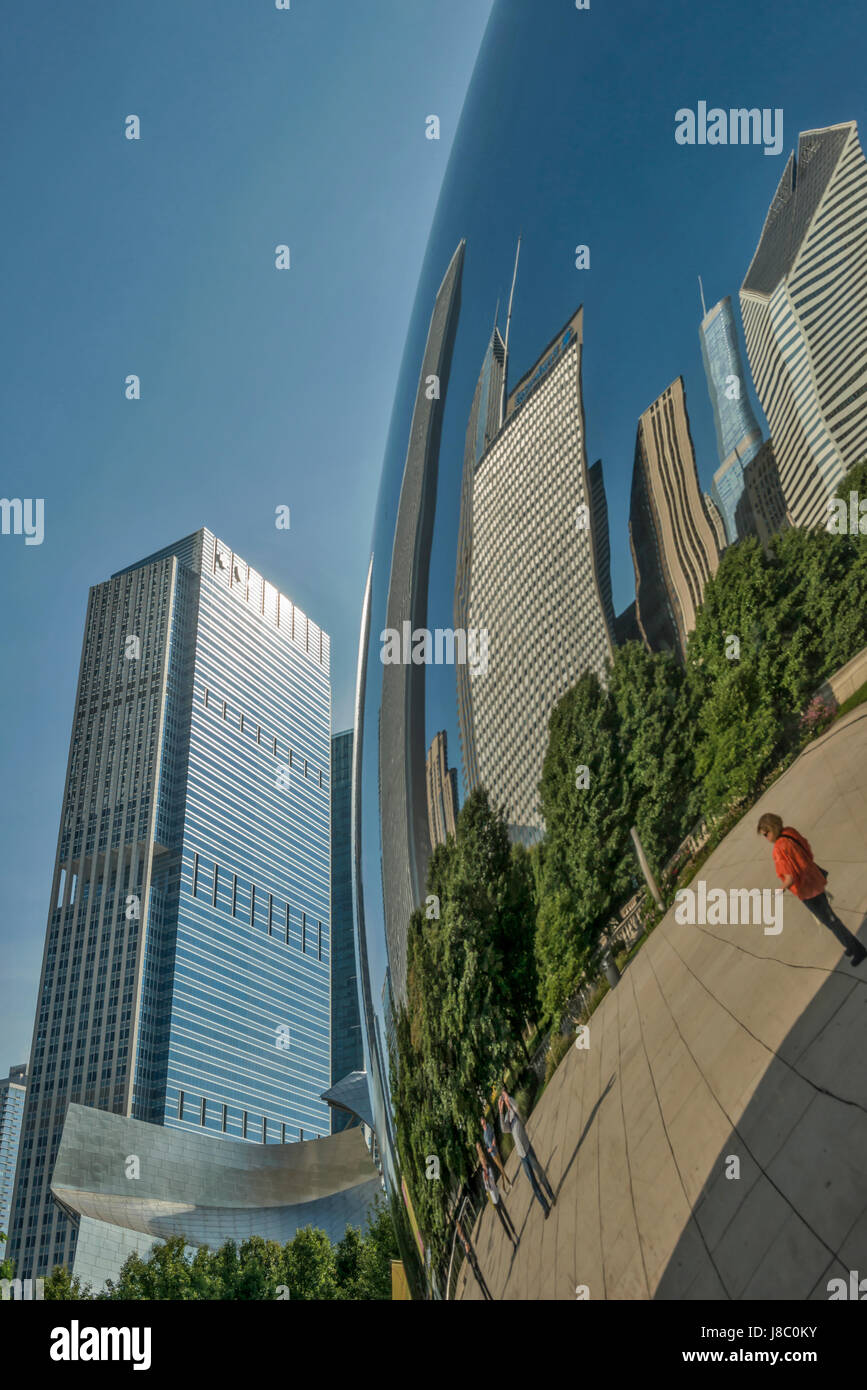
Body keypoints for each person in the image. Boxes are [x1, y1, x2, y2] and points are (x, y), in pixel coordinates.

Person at [757, 812, 865, 966]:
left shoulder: (779, 849)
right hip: (814, 878)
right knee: (829, 917)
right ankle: (849, 944)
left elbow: (790, 877)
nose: (765, 838)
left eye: (765, 834)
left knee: (830, 920)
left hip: (807, 890)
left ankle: (858, 949)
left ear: (772, 829)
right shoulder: (790, 832)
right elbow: (807, 847)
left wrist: (778, 891)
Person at [498, 1088, 556, 1217]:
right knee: (533, 1182)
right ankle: (545, 1207)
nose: (504, 1099)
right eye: (502, 1097)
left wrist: (508, 1099)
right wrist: (500, 1111)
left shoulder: (514, 1110)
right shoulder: (507, 1117)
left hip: (528, 1149)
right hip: (521, 1156)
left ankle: (550, 1194)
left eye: (504, 1096)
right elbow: (503, 1129)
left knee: (540, 1173)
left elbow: (516, 1106)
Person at [476, 1141, 518, 1247]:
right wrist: (486, 1181)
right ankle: (511, 1239)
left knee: (506, 1215)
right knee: (502, 1220)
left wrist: (488, 1179)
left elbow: (493, 1181)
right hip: (493, 1200)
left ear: (485, 1161)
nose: (483, 1164)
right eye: (482, 1163)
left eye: (484, 1161)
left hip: (497, 1195)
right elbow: (486, 1188)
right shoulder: (483, 1173)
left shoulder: (489, 1169)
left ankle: (514, 1233)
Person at [455, 1216, 493, 1300]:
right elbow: (466, 1247)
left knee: (479, 1276)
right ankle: (487, 1295)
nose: (460, 1230)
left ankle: (487, 1295)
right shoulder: (462, 1236)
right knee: (478, 1276)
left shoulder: (462, 1235)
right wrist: (467, 1249)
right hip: (471, 1257)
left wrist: (468, 1249)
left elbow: (467, 1245)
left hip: (471, 1257)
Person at [480, 1113, 511, 1192]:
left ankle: (504, 1186)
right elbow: (486, 1146)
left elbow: (493, 1134)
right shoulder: (484, 1135)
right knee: (501, 1167)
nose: (483, 1122)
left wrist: (494, 1140)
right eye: (482, 1122)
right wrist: (488, 1150)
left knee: (501, 1168)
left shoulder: (489, 1126)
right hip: (492, 1154)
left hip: (495, 1149)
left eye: (483, 1120)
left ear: (485, 1120)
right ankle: (508, 1183)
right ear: (481, 1124)